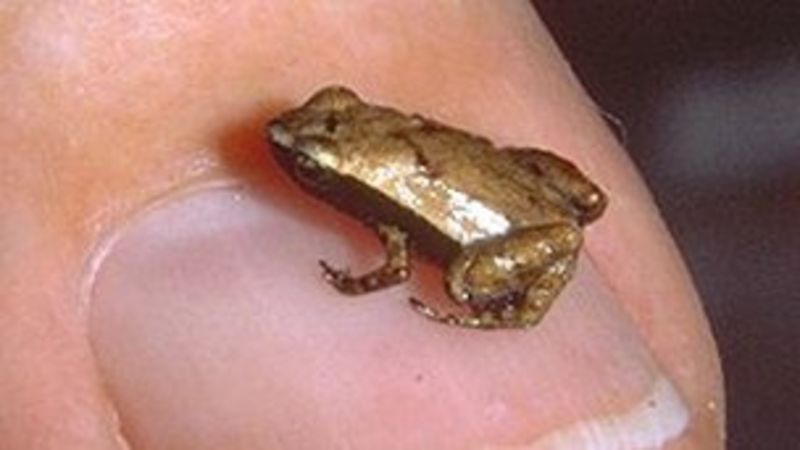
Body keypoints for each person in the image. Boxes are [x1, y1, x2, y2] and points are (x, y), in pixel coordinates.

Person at [0, 2, 724, 448]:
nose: (289, 147)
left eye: (310, 165)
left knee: (471, 280)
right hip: (512, 186)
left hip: (511, 230)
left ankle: (507, 318)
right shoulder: (373, 163)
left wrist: (361, 285)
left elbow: (397, 264)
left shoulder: (378, 210)